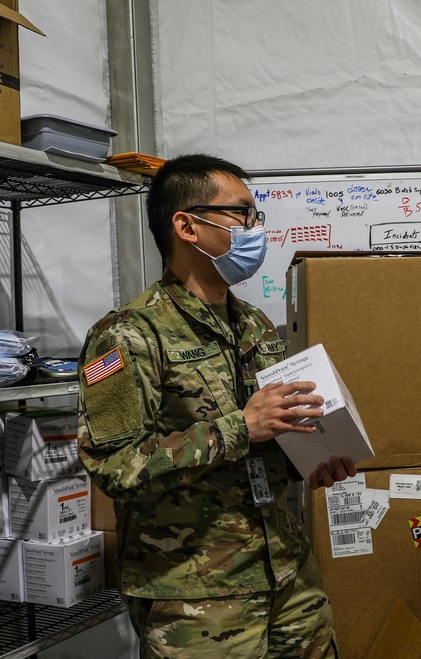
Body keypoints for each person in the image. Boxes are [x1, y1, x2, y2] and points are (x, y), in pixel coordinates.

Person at [77, 154, 357, 658]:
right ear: (187, 226)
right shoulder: (125, 336)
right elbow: (115, 467)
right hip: (197, 594)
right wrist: (239, 428)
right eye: (241, 213)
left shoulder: (254, 323)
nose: (255, 228)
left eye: (255, 215)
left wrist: (311, 460)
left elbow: (268, 436)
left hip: (288, 573)